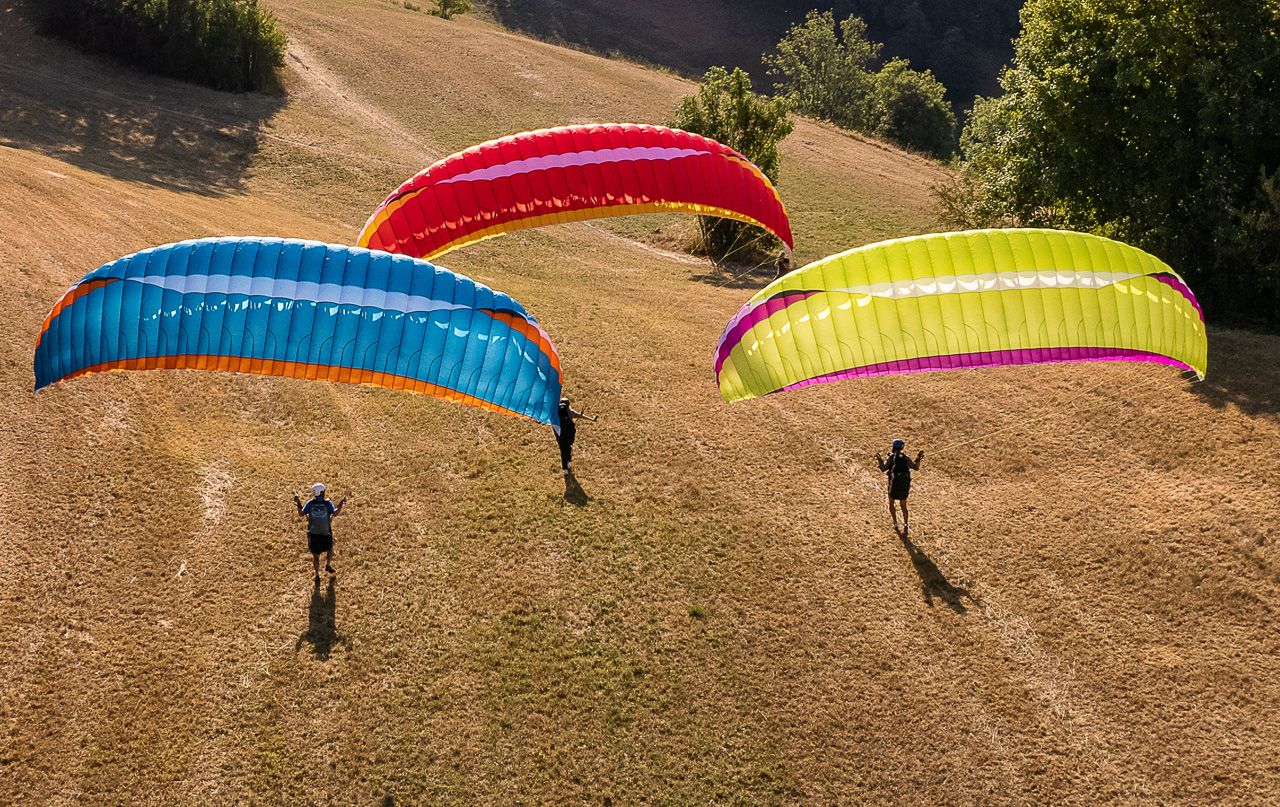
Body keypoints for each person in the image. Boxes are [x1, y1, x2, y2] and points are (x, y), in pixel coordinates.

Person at [293, 483, 345, 583]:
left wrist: (299, 503)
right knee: (330, 548)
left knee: (316, 557)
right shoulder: (327, 503)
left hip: (313, 534)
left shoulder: (310, 503)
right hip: (326, 533)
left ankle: (317, 575)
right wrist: (341, 504)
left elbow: (301, 514)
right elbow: (335, 513)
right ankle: (328, 565)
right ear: (321, 492)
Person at [876, 439, 923, 534]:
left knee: (891, 503)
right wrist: (918, 458)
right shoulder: (906, 457)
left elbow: (883, 469)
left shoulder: (892, 457)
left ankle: (895, 523)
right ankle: (906, 524)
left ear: (894, 447)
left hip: (893, 483)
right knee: (903, 505)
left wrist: (879, 459)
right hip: (904, 484)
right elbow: (916, 467)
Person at [552, 396, 594, 476]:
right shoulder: (570, 412)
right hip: (568, 435)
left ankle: (565, 468)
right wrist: (591, 419)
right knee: (568, 447)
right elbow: (580, 415)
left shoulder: (555, 412)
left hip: (559, 435)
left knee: (563, 449)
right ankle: (567, 461)